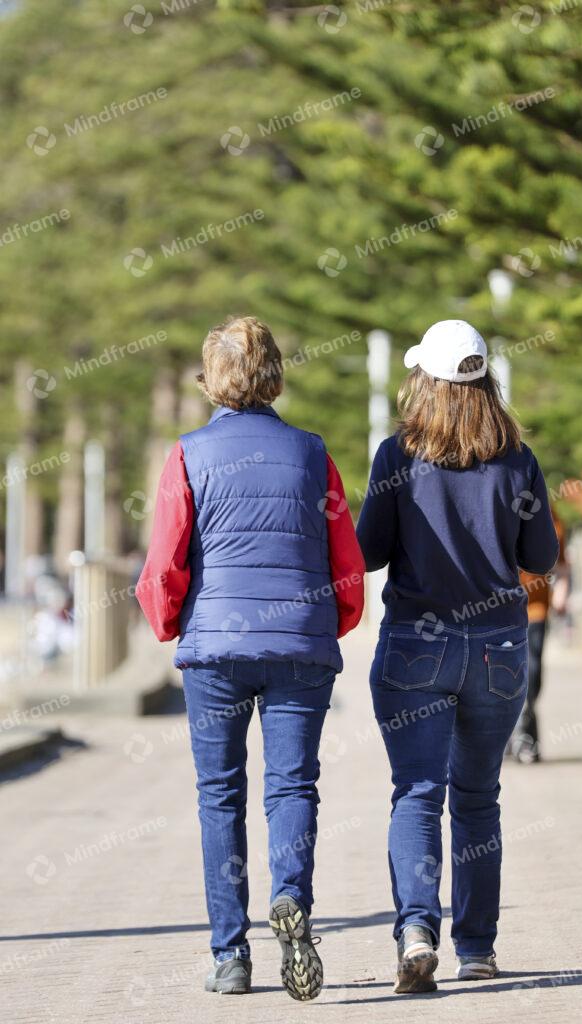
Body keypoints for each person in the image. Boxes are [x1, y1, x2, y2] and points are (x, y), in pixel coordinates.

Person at [136, 316, 365, 1001]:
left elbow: (165, 560)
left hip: (216, 648)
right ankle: (291, 900)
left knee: (220, 795)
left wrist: (169, 622)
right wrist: (333, 623)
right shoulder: (312, 454)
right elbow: (345, 560)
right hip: (299, 640)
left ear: (211, 381)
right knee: (292, 787)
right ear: (274, 377)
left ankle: (230, 953)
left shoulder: (187, 455)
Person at [356, 320, 558, 994]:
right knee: (478, 800)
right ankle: (476, 948)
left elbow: (367, 554)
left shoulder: (395, 456)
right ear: (484, 383)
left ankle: (417, 930)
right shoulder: (518, 459)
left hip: (416, 642)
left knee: (416, 793)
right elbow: (539, 559)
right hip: (498, 646)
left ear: (425, 381)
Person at [511, 508, 569, 763]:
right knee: (500, 674)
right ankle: (515, 735)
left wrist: (562, 590)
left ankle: (524, 733)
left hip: (534, 608)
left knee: (532, 673)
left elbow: (562, 560)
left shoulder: (546, 511)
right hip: (494, 608)